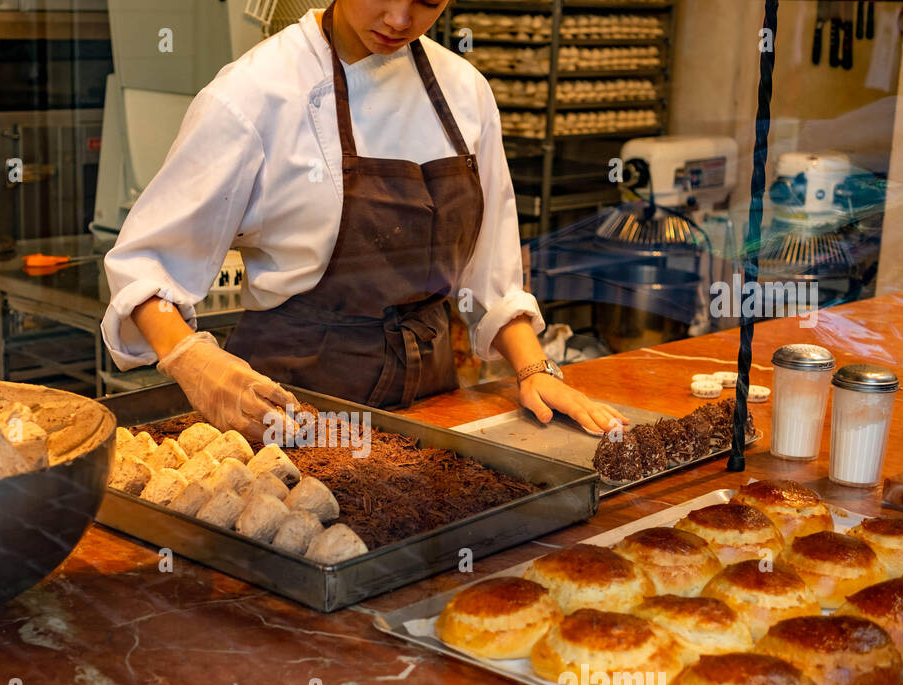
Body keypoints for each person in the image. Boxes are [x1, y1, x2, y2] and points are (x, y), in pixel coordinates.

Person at [102, 0, 625, 440]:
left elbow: (491, 269)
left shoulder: (465, 91)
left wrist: (535, 368)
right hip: (289, 410)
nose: (399, 18)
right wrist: (191, 358)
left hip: (431, 408)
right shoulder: (253, 94)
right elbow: (146, 266)